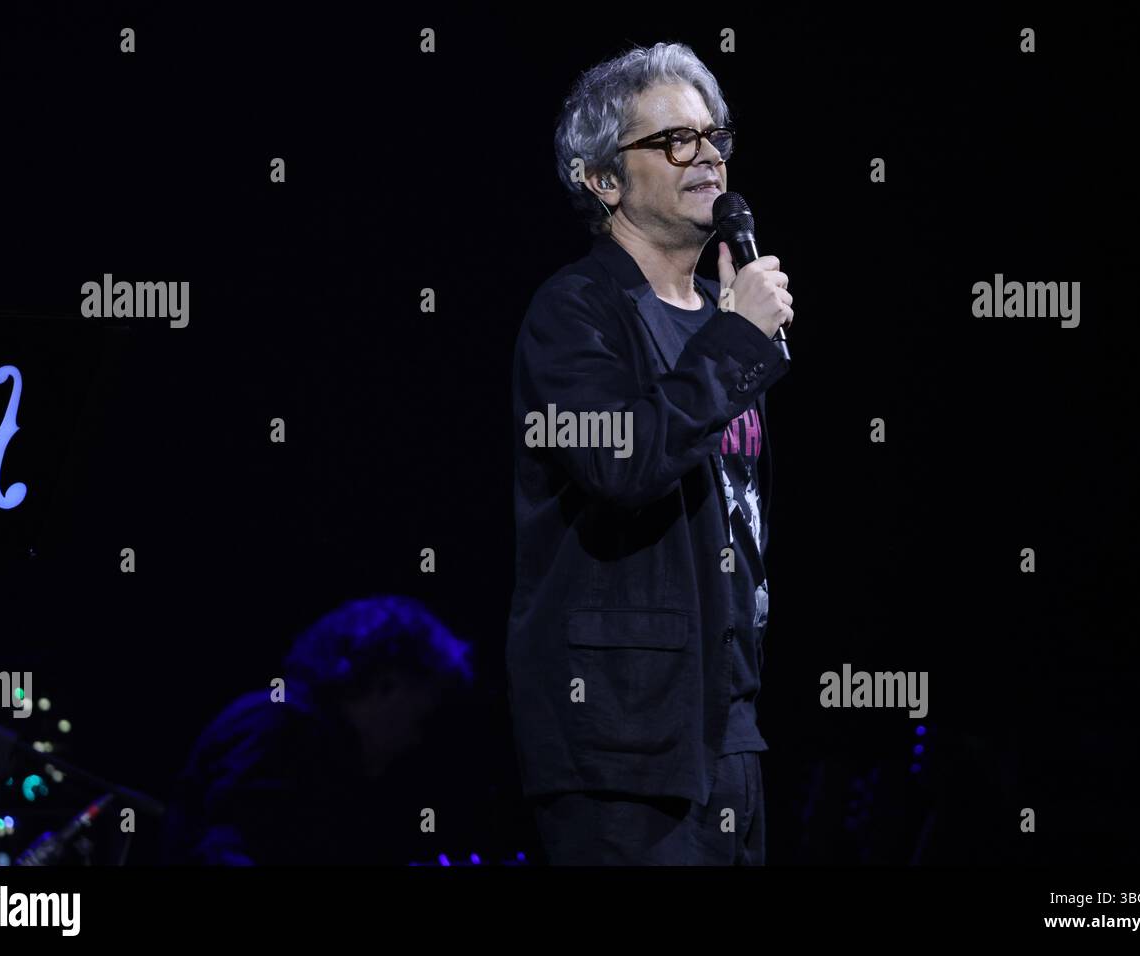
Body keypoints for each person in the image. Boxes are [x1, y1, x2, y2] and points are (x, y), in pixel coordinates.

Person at [506, 41, 793, 865]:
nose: (706, 153)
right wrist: (737, 338)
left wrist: (734, 332)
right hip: (620, 742)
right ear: (603, 180)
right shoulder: (573, 313)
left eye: (714, 135)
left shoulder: (723, 314)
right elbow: (619, 462)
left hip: (728, 730)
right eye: (673, 140)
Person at [163, 595, 473, 865]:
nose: (415, 739)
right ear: (386, 686)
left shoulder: (306, 738)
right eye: (420, 718)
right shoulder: (280, 725)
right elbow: (225, 850)